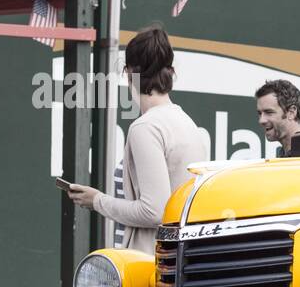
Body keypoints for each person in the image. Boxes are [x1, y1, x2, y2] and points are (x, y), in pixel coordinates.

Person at [67, 26, 209, 253]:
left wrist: (97, 201)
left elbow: (154, 211)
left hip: (149, 264)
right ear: (169, 70)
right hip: (178, 259)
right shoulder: (187, 123)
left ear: (129, 72)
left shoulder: (145, 127)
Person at [255, 79, 300, 157]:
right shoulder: (285, 153)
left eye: (269, 112)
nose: (261, 120)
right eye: (260, 113)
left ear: (291, 113)